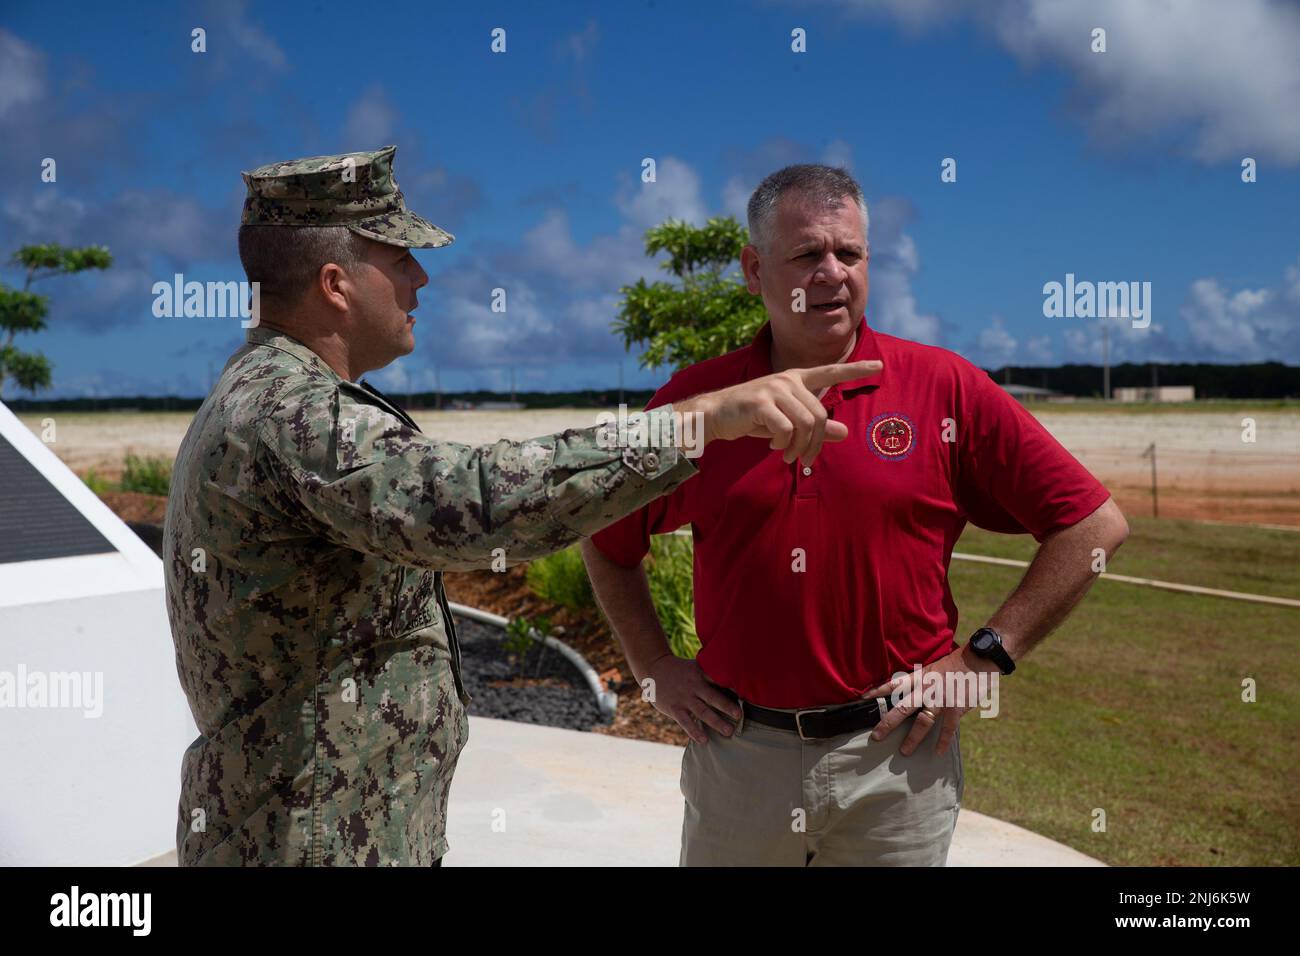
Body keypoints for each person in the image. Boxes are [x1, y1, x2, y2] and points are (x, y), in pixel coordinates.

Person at [162, 146, 878, 866]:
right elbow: (475, 504)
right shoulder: (293, 413)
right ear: (336, 284)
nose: (421, 276)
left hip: (324, 825)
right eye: (400, 257)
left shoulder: (271, 396)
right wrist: (697, 424)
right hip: (307, 840)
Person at [582, 163, 1130, 866]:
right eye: (808, 254)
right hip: (740, 758)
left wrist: (983, 658)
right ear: (754, 270)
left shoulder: (944, 387)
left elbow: (1093, 524)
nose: (833, 272)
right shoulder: (702, 401)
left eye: (851, 253)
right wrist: (653, 664)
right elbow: (605, 535)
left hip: (897, 761)